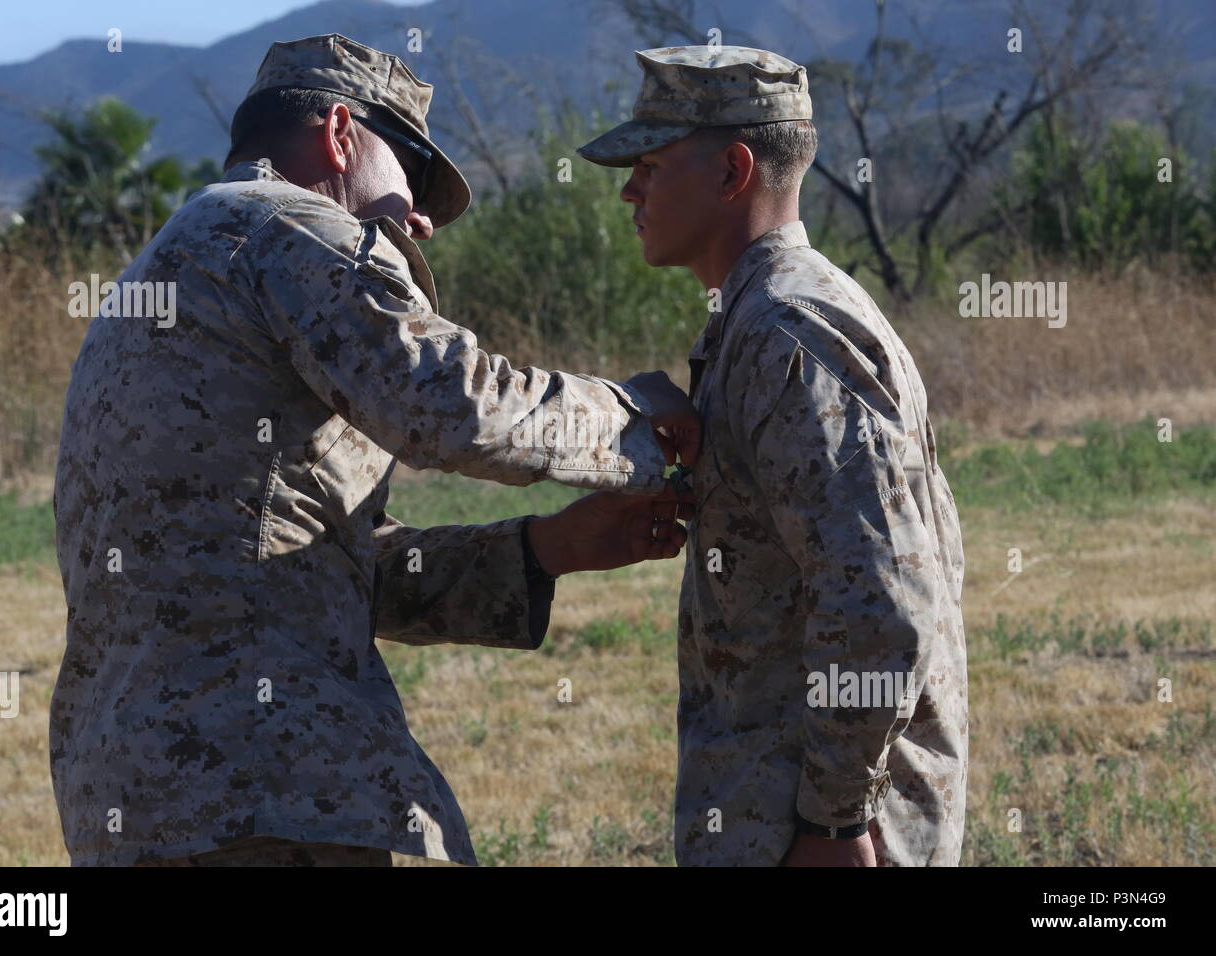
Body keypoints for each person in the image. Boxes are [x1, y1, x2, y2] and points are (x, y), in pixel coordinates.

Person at [50, 34, 697, 867]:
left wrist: (547, 549)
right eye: (413, 174)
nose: (420, 217)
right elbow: (452, 404)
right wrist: (642, 423)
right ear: (340, 134)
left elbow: (306, 567)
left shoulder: (175, 269)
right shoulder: (284, 226)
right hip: (276, 793)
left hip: (153, 803)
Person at [577, 45, 968, 866]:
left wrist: (834, 821)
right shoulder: (756, 319)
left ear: (732, 172)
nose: (628, 190)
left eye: (649, 164)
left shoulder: (792, 332)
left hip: (812, 833)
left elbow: (881, 598)